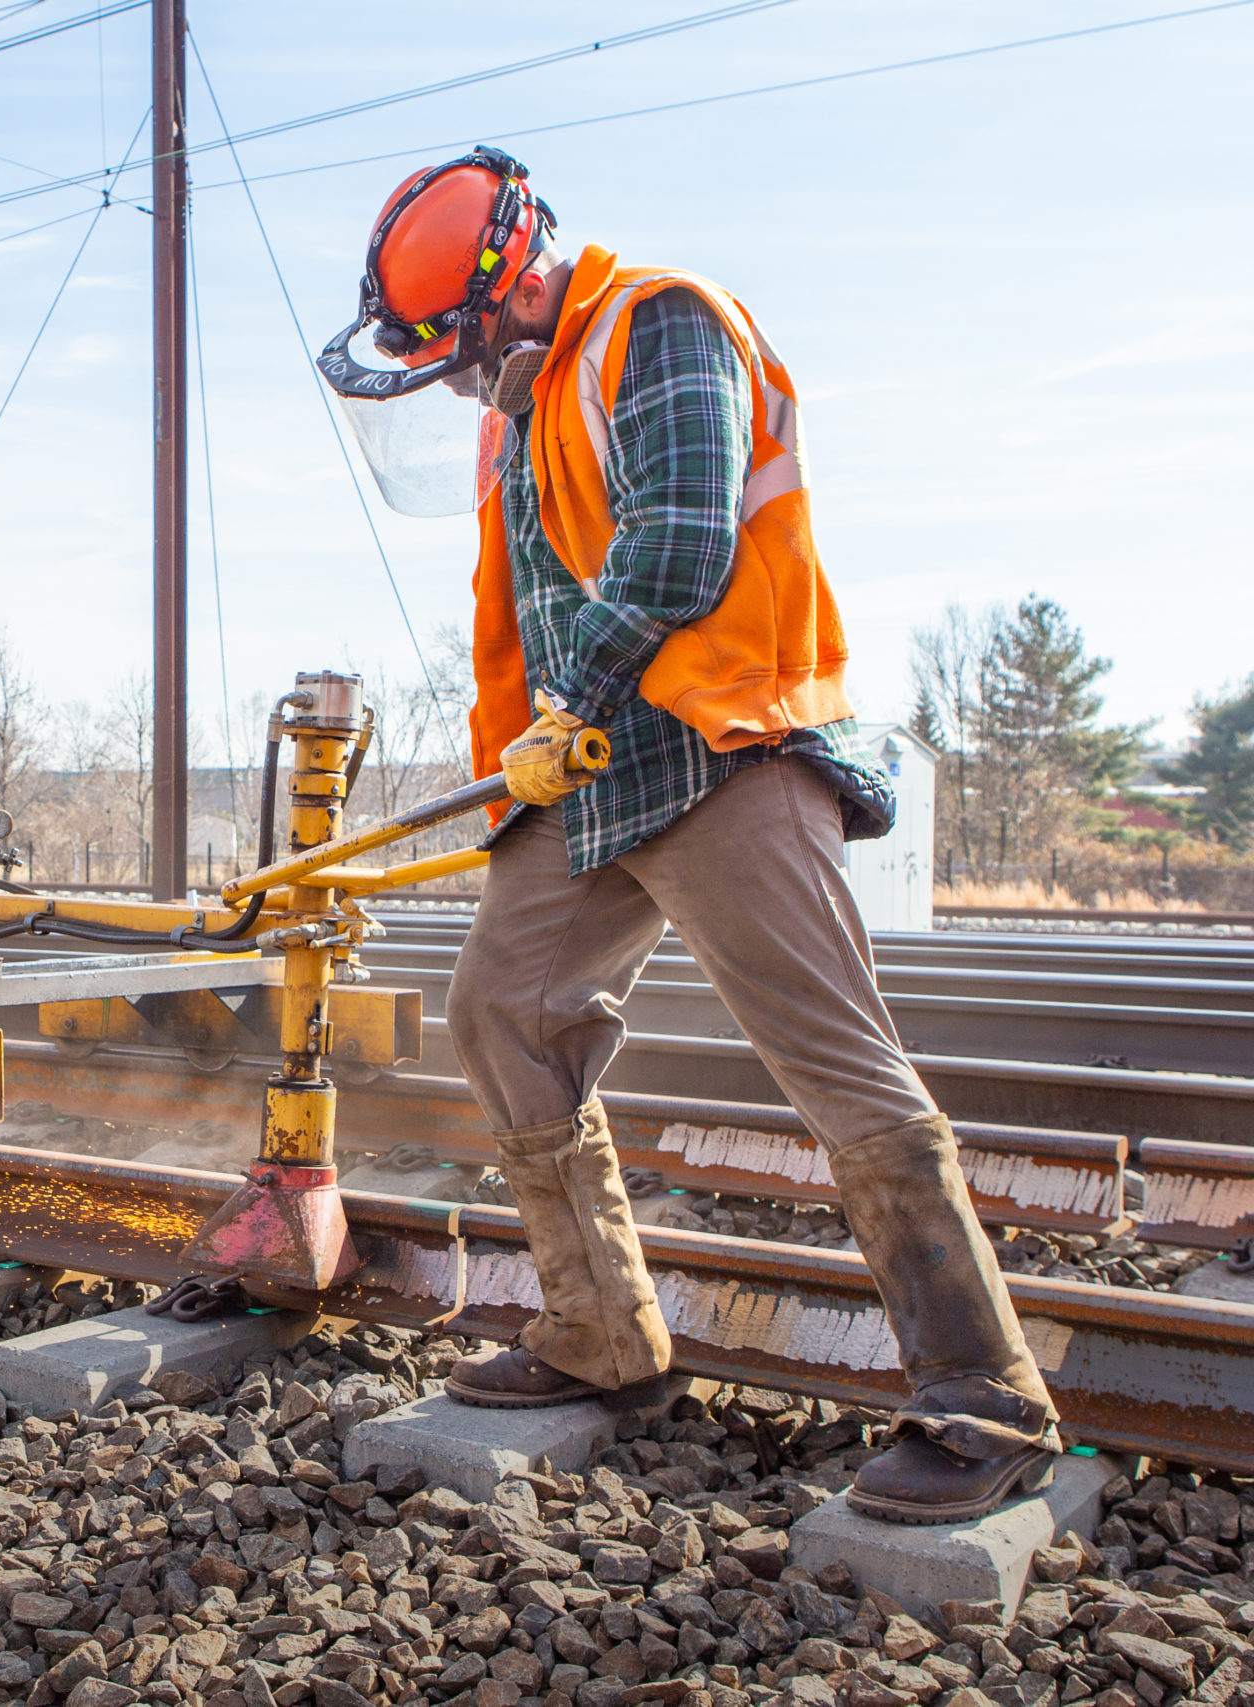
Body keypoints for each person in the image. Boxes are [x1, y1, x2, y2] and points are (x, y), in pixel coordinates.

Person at [315, 148, 1056, 1525]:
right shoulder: (527, 410)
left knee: (835, 1064)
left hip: (720, 748)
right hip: (585, 776)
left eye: (461, 350)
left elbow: (679, 543)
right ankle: (602, 1336)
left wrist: (570, 701)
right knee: (502, 1012)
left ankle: (985, 1399)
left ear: (517, 283)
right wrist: (529, 748)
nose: (458, 380)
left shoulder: (659, 325)